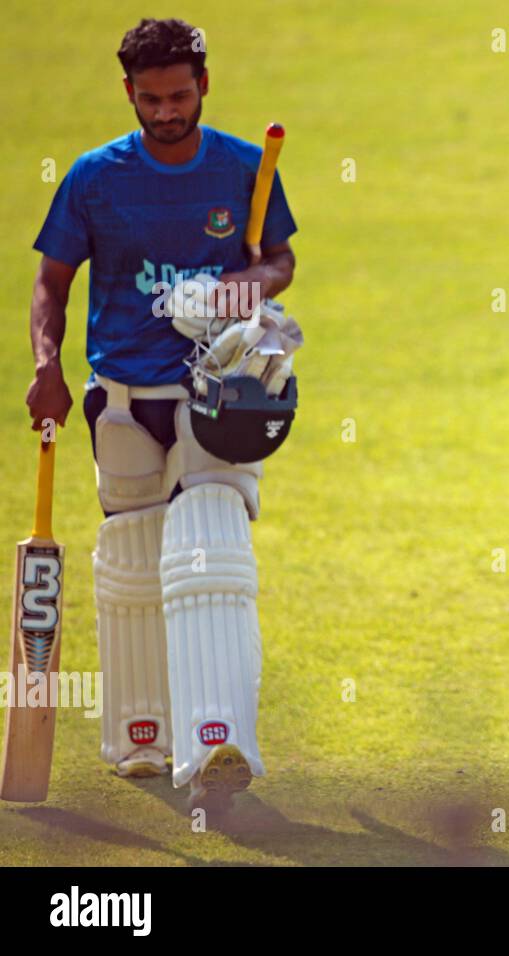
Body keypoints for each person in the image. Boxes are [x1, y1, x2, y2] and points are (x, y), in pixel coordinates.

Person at [27, 17, 297, 814]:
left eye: (179, 95)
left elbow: (279, 260)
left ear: (204, 85)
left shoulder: (247, 166)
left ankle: (220, 738)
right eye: (151, 99)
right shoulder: (93, 177)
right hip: (121, 394)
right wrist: (48, 368)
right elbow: (52, 282)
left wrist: (237, 293)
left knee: (213, 548)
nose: (166, 110)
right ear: (129, 95)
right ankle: (143, 736)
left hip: (217, 390)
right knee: (136, 564)